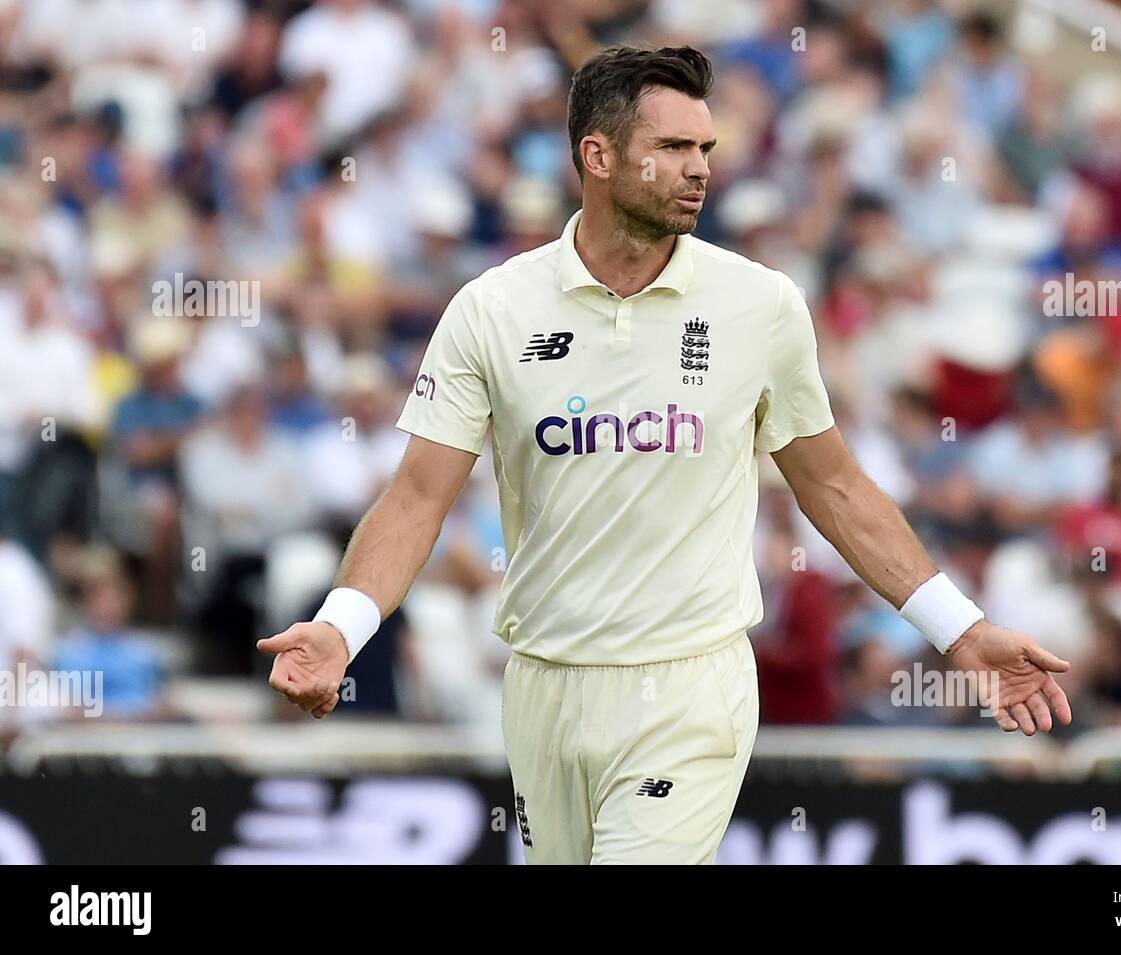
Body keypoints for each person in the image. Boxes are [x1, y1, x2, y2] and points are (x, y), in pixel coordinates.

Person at [257, 46, 1072, 865]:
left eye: (705, 149)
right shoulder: (490, 309)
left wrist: (959, 630)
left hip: (689, 684)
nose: (700, 170)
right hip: (543, 681)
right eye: (675, 148)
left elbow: (835, 485)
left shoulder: (761, 305)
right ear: (598, 156)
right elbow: (416, 497)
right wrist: (340, 627)